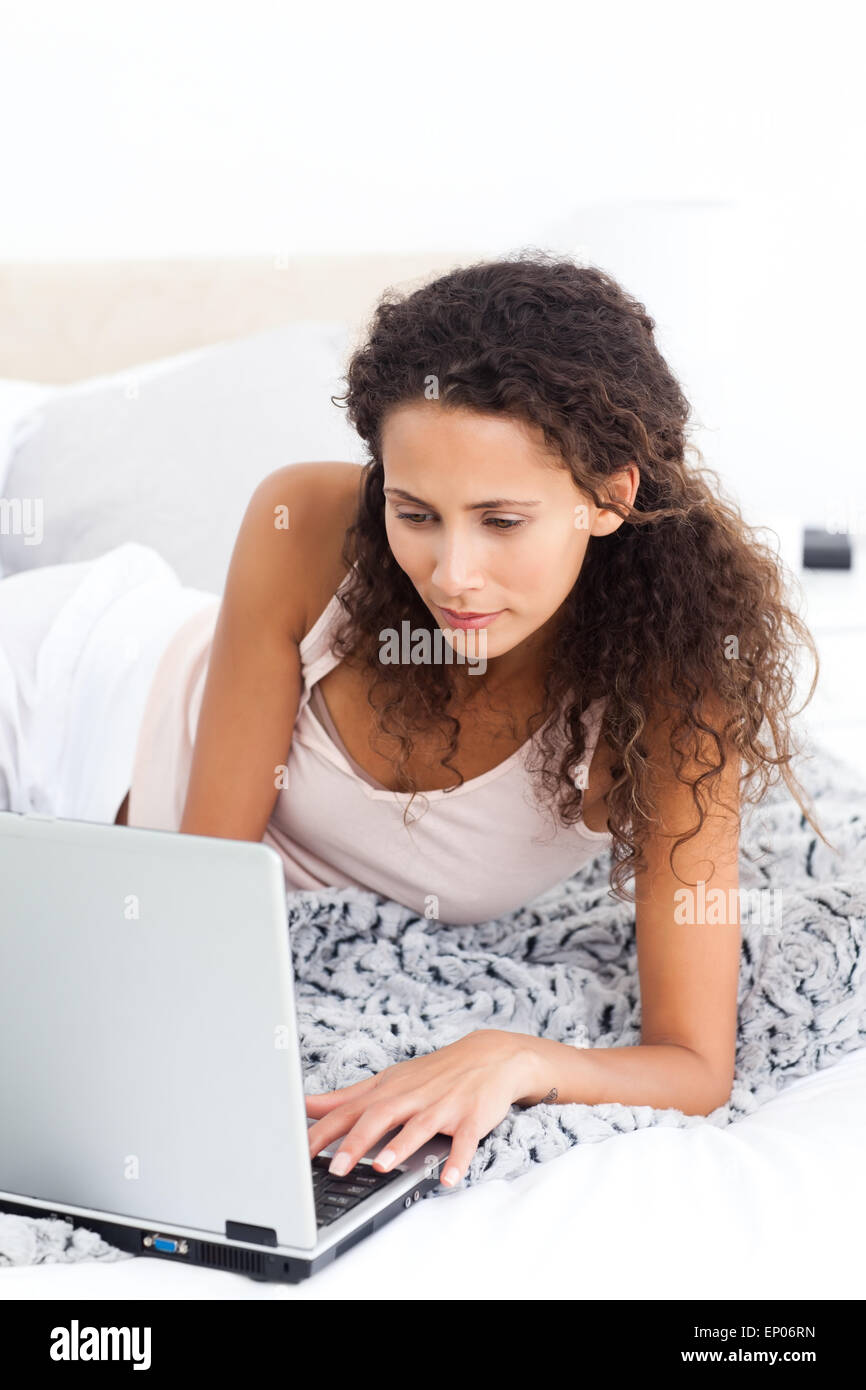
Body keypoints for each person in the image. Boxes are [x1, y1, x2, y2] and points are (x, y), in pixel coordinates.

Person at [0, 252, 826, 1190]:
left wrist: (517, 1059)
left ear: (611, 496)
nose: (453, 573)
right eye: (416, 512)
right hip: (57, 687)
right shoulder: (304, 520)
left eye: (502, 521)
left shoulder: (674, 692)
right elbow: (199, 896)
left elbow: (692, 1064)